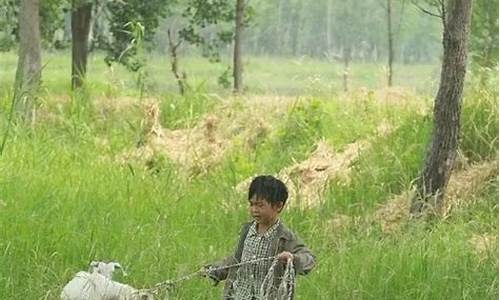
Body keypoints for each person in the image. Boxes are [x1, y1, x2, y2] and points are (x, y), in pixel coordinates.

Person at [203, 175, 315, 300]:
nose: (254, 210)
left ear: (278, 206)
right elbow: (235, 262)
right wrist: (215, 270)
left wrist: (292, 258)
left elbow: (309, 259)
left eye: (260, 205)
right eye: (252, 204)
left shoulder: (284, 237)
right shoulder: (246, 232)